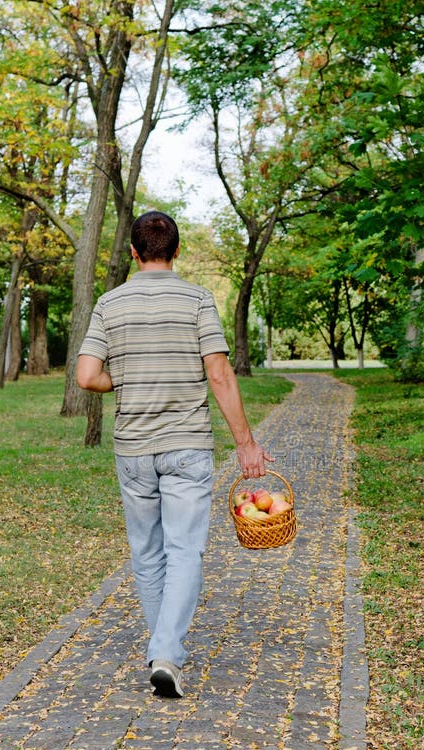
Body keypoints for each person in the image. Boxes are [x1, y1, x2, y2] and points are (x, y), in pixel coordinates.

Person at [76, 210, 272, 698]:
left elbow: (86, 376)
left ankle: (163, 648)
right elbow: (220, 374)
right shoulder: (198, 299)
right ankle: (166, 652)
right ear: (177, 251)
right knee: (185, 551)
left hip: (134, 450)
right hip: (187, 447)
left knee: (147, 554)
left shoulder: (109, 304)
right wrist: (246, 444)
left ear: (135, 253)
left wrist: (126, 378)